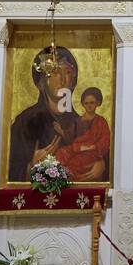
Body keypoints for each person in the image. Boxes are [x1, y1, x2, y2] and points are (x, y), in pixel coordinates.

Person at [8, 47, 82, 182]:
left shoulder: (82, 123)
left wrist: (99, 166)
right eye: (54, 72)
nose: (62, 79)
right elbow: (9, 171)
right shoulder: (25, 122)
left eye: (67, 72)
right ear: (41, 81)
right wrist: (31, 166)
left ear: (73, 80)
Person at [56, 87, 110, 182]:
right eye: (86, 103)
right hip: (77, 148)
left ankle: (73, 180)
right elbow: (70, 136)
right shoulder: (78, 121)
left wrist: (93, 147)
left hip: (93, 151)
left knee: (74, 164)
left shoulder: (101, 121)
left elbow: (105, 140)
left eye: (92, 103)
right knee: (61, 152)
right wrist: (61, 131)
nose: (89, 106)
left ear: (97, 103)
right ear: (83, 104)